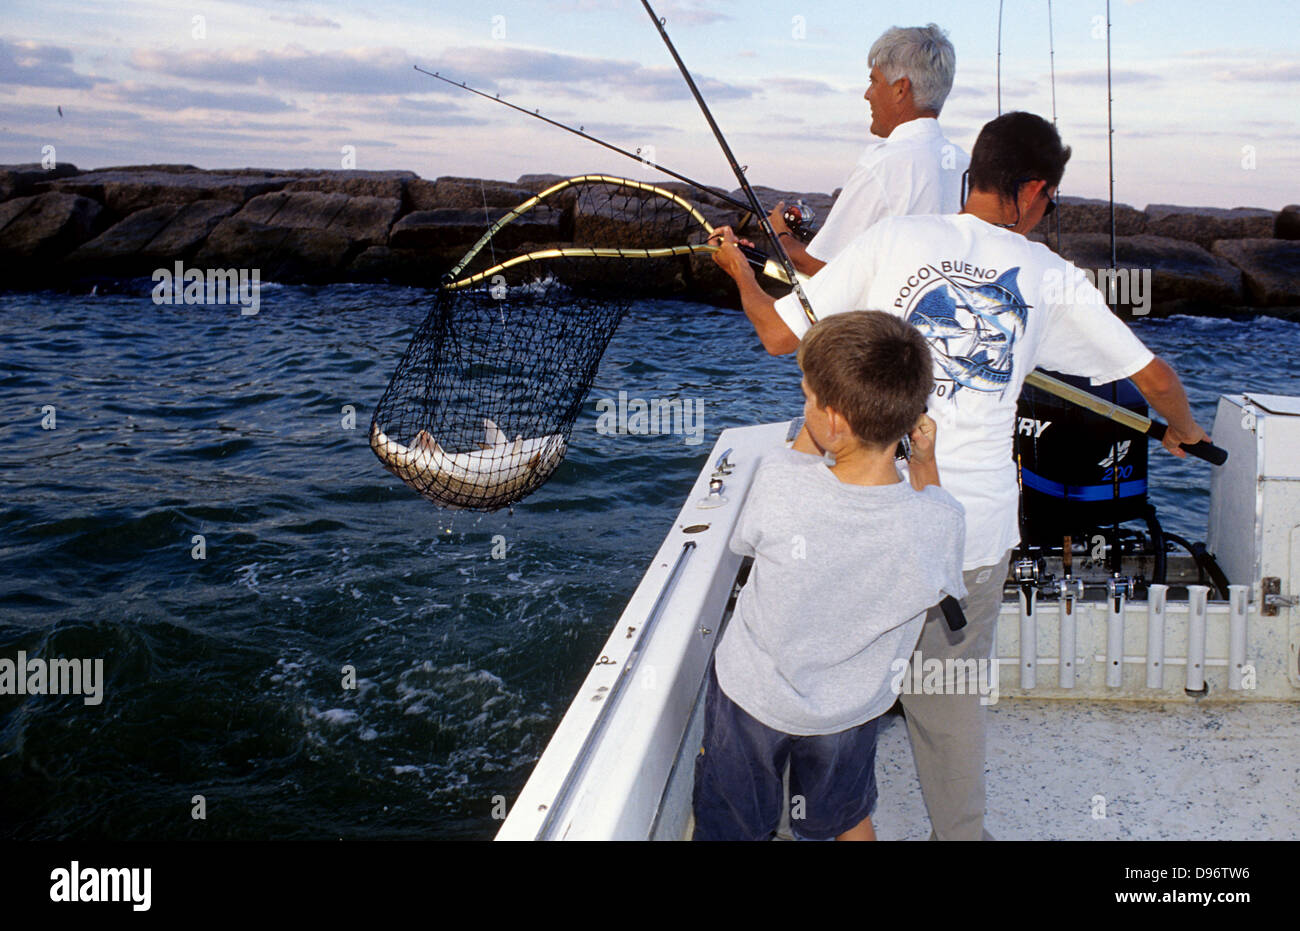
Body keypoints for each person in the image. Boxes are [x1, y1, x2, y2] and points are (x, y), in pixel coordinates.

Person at [709, 111, 1213, 840]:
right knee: (947, 707)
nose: (1046, 214)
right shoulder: (1050, 275)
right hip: (964, 535)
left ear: (976, 174)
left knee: (826, 680)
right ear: (1034, 189)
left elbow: (779, 334)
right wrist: (1186, 430)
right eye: (1052, 201)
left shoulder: (895, 238)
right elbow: (1156, 377)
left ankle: (812, 811)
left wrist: (738, 271)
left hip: (861, 520)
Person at [692, 311, 966, 841]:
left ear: (833, 420)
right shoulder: (939, 522)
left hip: (755, 698)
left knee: (734, 822)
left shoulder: (780, 482)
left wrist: (823, 427)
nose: (805, 407)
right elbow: (930, 503)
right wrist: (923, 458)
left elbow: (761, 521)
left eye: (809, 399)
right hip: (849, 709)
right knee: (840, 816)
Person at [769, 23, 970, 278]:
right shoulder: (968, 165)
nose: (867, 94)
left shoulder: (882, 165)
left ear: (900, 89)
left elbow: (822, 268)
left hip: (887, 319)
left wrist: (779, 233)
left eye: (874, 82)